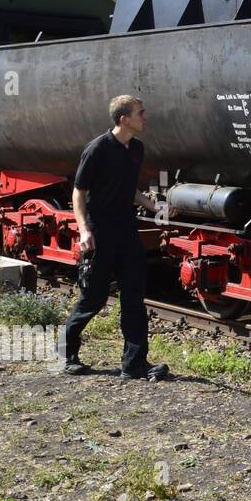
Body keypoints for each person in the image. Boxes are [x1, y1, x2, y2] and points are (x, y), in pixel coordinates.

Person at [61, 94, 169, 381]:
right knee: (93, 298)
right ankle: (66, 353)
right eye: (140, 113)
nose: (145, 117)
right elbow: (79, 192)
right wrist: (84, 230)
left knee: (134, 298)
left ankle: (134, 364)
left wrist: (155, 207)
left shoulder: (136, 149)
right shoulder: (97, 149)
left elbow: (129, 188)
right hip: (100, 231)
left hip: (126, 231)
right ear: (124, 119)